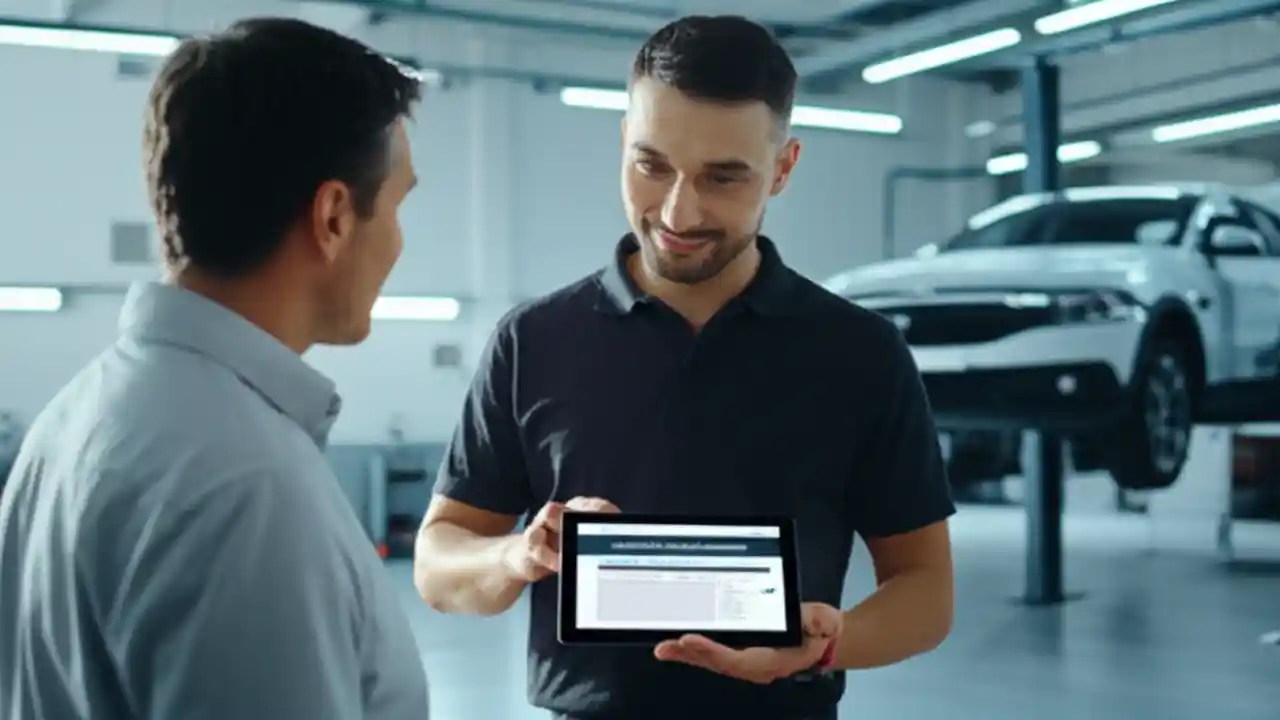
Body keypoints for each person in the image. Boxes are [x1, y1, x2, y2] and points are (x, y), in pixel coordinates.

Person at [413, 14, 955, 720]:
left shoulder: (860, 353)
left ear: (783, 168)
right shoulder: (534, 340)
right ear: (623, 142)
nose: (678, 210)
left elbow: (925, 590)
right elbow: (437, 562)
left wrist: (830, 642)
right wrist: (516, 557)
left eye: (723, 177)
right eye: (651, 164)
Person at [0, 17, 429, 720]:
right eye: (398, 204)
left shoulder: (75, 420)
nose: (399, 243)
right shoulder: (248, 488)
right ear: (332, 216)